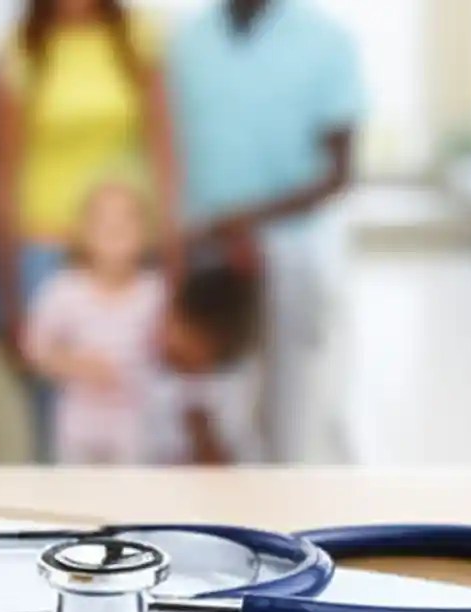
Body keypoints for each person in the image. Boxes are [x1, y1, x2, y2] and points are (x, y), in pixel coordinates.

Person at [170, 0, 364, 462]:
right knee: (201, 415)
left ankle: (285, 517)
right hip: (201, 246)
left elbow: (340, 172)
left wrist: (250, 220)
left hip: (290, 247)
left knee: (287, 412)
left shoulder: (328, 41)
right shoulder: (185, 41)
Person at [0, 0, 180, 458]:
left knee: (135, 397)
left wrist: (172, 254)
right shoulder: (19, 46)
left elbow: (164, 150)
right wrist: (9, 296)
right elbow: (1, 172)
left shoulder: (137, 35)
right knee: (57, 412)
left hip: (130, 243)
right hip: (45, 247)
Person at [24, 179, 165, 465]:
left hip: (135, 420)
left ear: (147, 233)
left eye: (127, 220)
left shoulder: (156, 293)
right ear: (83, 232)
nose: (115, 230)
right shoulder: (64, 289)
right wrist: (74, 364)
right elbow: (35, 347)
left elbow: (171, 354)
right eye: (103, 221)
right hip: (78, 422)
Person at [148, 267, 265, 466]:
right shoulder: (159, 375)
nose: (163, 332)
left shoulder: (232, 387)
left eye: (175, 325)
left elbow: (219, 465)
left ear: (207, 343)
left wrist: (200, 429)